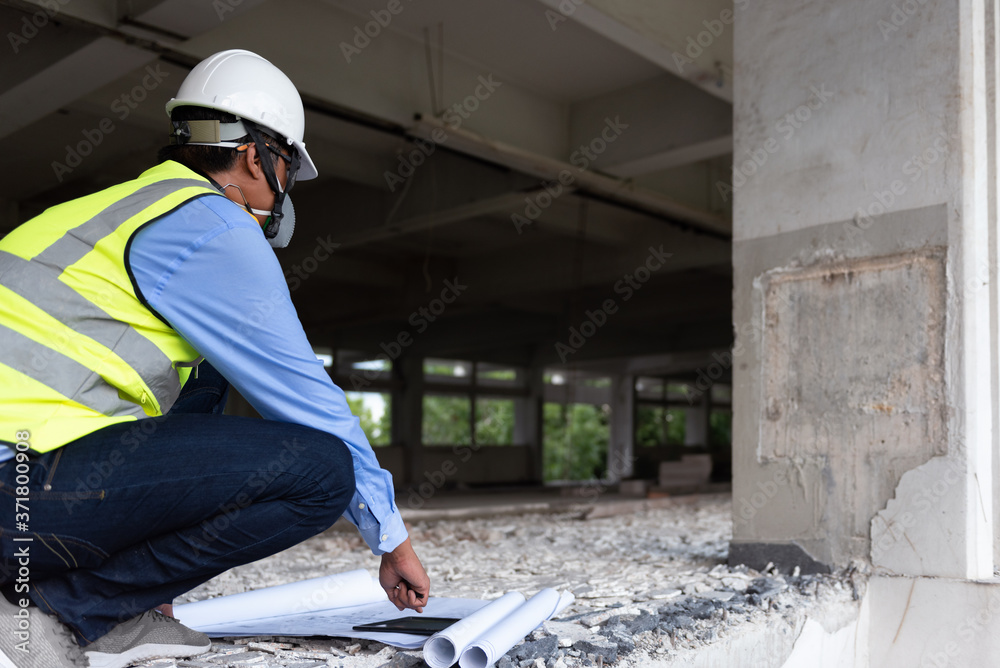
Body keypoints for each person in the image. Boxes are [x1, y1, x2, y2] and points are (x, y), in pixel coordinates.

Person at [0, 49, 430, 668]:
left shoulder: (94, 213)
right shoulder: (213, 224)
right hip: (21, 493)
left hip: (22, 481)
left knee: (203, 375)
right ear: (256, 155)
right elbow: (305, 394)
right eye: (284, 167)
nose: (281, 191)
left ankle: (116, 604)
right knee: (320, 472)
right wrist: (391, 538)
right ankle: (68, 611)